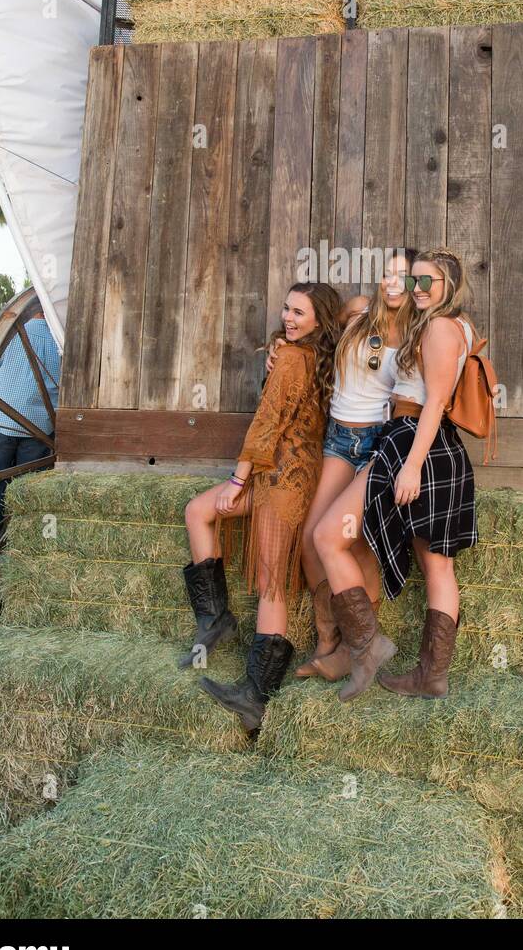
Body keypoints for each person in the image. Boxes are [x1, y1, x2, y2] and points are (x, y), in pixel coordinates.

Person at [313, 248, 477, 701]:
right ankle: (429, 676)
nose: (417, 289)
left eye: (427, 282)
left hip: (413, 440)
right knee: (436, 565)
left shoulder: (441, 328)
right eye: (414, 281)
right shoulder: (451, 325)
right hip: (419, 441)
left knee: (328, 536)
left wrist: (410, 466)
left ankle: (368, 646)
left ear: (448, 285)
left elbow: (437, 403)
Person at [181, 282, 341, 732]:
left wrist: (237, 479)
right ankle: (216, 620)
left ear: (319, 321)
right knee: (199, 512)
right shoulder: (306, 355)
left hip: (284, 479)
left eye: (299, 313)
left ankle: (256, 696)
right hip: (283, 475)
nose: (289, 318)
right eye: (287, 309)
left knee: (271, 582)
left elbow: (266, 423)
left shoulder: (295, 357)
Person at [293, 248, 417, 681]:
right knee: (312, 536)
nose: (392, 283)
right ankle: (329, 637)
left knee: (354, 540)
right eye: (387, 274)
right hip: (338, 438)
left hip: (377, 442)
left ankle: (355, 646)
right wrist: (279, 341)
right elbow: (314, 331)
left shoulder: (419, 334)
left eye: (403, 277)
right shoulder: (359, 311)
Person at [0, 314, 60, 558]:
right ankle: (24, 547)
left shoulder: (12, 333)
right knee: (27, 491)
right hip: (38, 427)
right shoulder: (60, 340)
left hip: (1, 420)